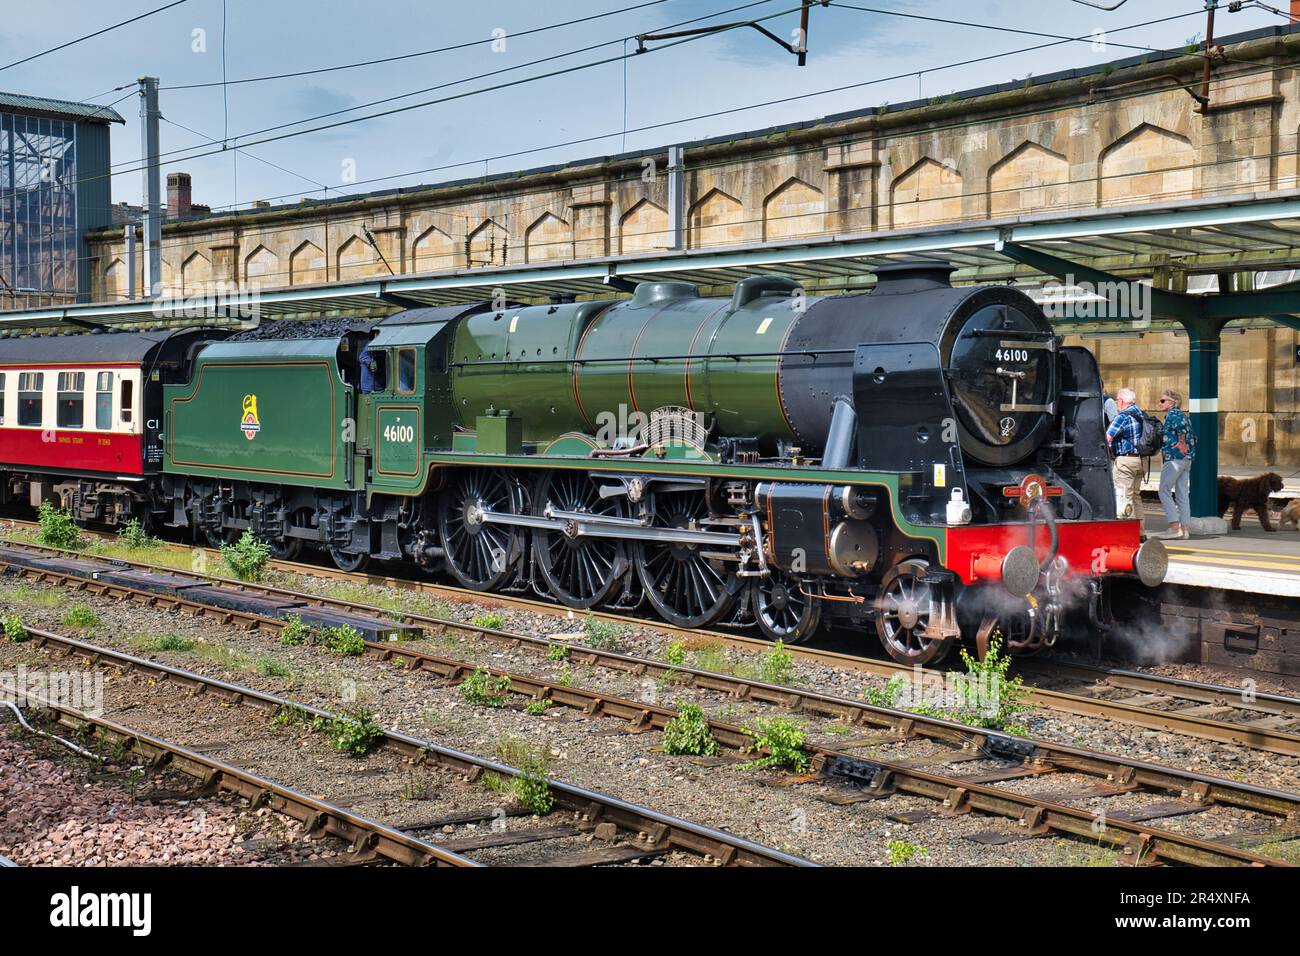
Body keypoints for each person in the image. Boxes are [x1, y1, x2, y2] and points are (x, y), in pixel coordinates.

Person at [1157, 388, 1195, 539]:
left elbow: (1182, 429)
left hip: (1174, 457)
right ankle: (1185, 529)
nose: (1160, 403)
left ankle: (1174, 526)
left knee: (1164, 490)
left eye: (1163, 400)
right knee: (1182, 494)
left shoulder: (1173, 414)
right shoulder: (1184, 415)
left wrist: (1180, 443)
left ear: (1173, 402)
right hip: (1186, 459)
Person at [1106, 387, 1145, 519]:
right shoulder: (1141, 414)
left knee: (1123, 496)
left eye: (1118, 400)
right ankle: (1141, 532)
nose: (1117, 402)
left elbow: (1107, 438)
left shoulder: (1122, 416)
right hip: (1141, 460)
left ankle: (1129, 532)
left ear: (1122, 401)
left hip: (1126, 461)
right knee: (1136, 497)